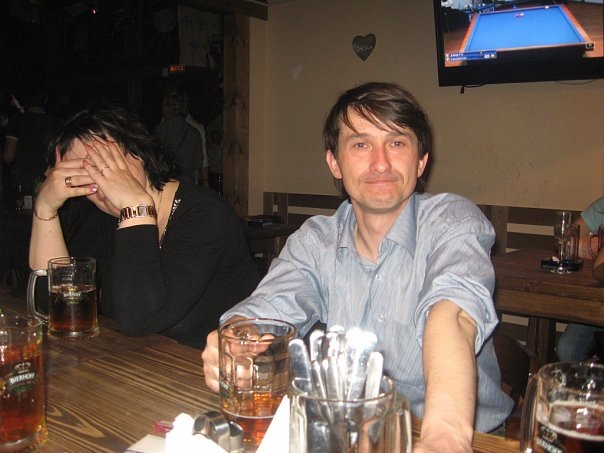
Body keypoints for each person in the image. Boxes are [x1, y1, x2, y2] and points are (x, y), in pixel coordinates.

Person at [202, 82, 513, 450]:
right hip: (349, 435)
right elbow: (267, 309)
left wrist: (444, 437)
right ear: (334, 163)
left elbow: (453, 316)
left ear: (421, 161)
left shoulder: (453, 221)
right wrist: (237, 340)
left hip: (466, 439)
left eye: (397, 143)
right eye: (361, 145)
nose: (380, 163)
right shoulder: (316, 240)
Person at [29, 104, 259, 349]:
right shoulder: (103, 218)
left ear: (139, 153)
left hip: (213, 364)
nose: (100, 180)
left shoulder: (206, 213)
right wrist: (45, 208)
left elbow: (140, 319)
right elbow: (55, 307)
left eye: (105, 163)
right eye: (81, 174)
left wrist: (136, 206)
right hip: (140, 362)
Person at [556, 197, 604, 361]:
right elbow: (565, 242)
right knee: (567, 348)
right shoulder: (602, 206)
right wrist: (587, 246)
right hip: (597, 302)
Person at [3, 89, 62, 201]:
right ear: (45, 100)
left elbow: (8, 156)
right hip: (50, 179)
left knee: (25, 210)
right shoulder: (56, 123)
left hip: (24, 179)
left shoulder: (17, 121)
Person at [153, 87, 203, 184]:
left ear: (170, 107)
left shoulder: (160, 130)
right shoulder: (193, 132)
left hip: (165, 182)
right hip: (187, 184)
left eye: (164, 105)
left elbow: (154, 160)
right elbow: (198, 162)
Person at [207, 130, 223, 195]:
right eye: (215, 137)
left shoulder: (221, 150)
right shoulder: (211, 150)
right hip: (214, 174)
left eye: (218, 137)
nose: (217, 139)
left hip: (219, 174)